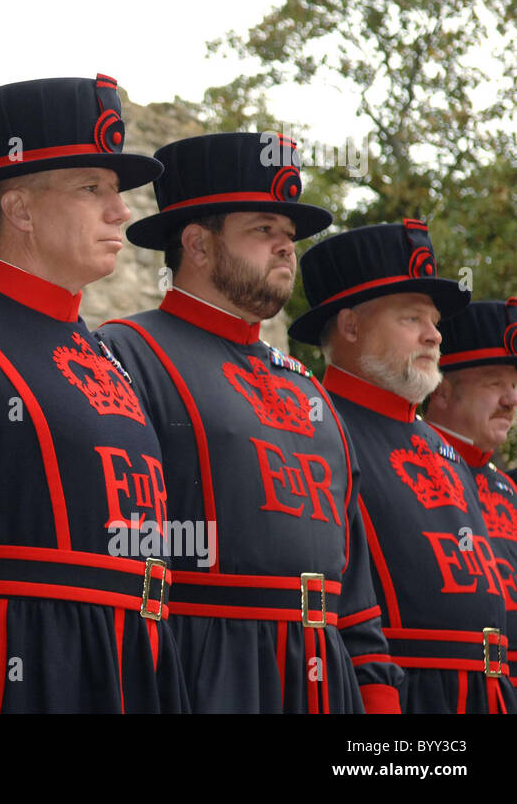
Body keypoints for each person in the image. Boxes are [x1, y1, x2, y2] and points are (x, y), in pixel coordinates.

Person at [95, 133, 401, 713]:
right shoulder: (124, 353)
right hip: (204, 669)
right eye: (263, 230)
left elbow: (356, 590)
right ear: (198, 244)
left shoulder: (310, 390)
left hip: (326, 680)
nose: (286, 249)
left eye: (289, 236)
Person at [0, 76, 187, 712]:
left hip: (135, 662)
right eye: (93, 188)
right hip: (31, 665)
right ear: (21, 210)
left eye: (116, 192)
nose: (121, 211)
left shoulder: (102, 353)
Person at [291, 227, 512, 712]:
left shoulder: (440, 444)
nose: (434, 334)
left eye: (433, 321)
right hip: (397, 692)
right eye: (412, 317)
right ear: (350, 326)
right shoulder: (315, 424)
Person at [424, 298, 517, 689]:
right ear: (443, 391)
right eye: (495, 383)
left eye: (514, 385)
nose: (511, 400)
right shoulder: (406, 469)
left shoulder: (508, 488)